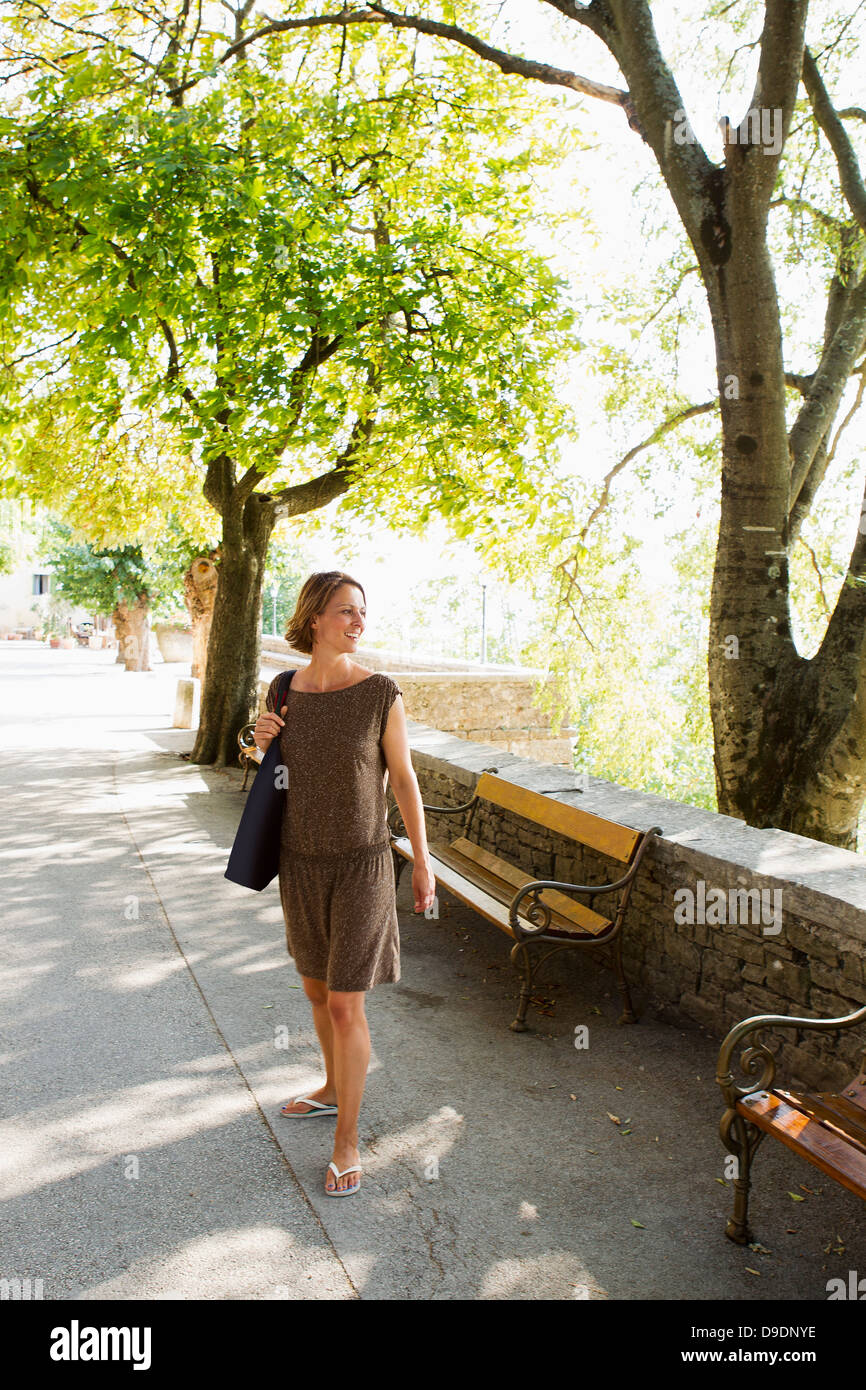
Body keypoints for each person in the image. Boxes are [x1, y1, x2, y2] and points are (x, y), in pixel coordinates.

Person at [253, 570, 436, 1197]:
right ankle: (331, 1088)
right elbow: (272, 774)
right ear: (313, 619)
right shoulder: (282, 689)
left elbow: (405, 780)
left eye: (362, 613)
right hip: (299, 861)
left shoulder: (380, 692)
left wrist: (424, 862)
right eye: (345, 612)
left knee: (343, 1000)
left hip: (361, 863)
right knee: (312, 988)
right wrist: (260, 743)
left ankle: (347, 1141)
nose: (358, 623)